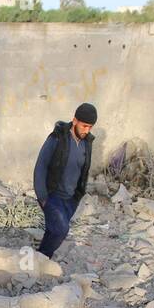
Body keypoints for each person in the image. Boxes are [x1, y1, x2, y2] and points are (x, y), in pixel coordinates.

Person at [32, 102, 97, 258]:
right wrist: (43, 198)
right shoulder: (57, 138)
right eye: (84, 126)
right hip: (52, 195)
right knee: (61, 230)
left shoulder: (87, 143)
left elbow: (84, 169)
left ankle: (41, 258)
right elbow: (40, 166)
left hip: (71, 199)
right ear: (74, 120)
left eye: (90, 127)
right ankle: (43, 257)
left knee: (53, 230)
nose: (86, 131)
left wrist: (78, 196)